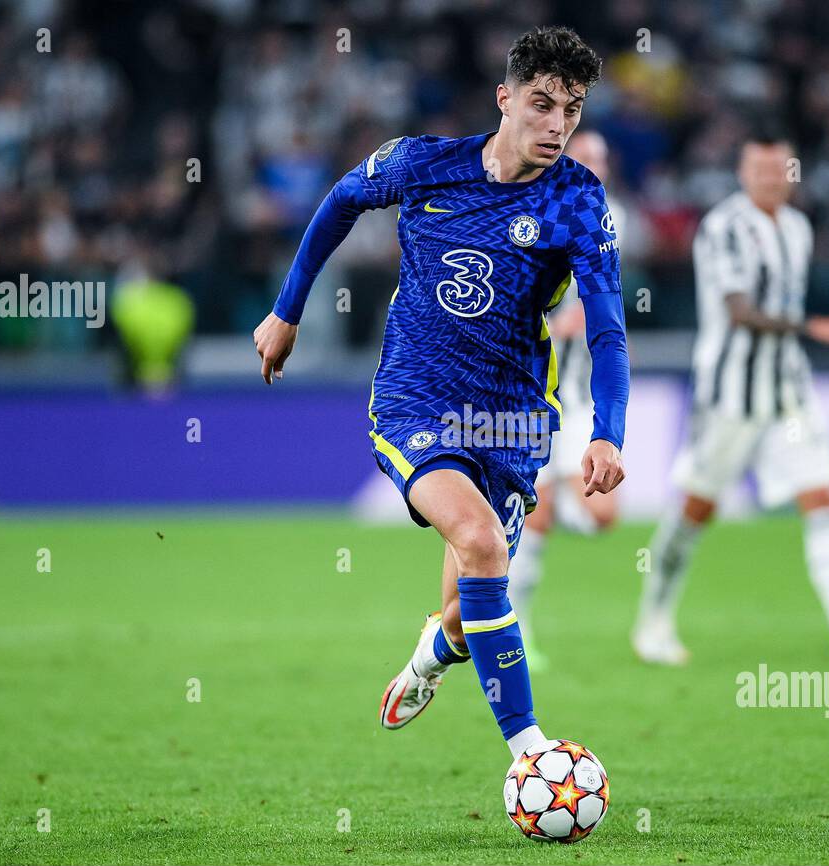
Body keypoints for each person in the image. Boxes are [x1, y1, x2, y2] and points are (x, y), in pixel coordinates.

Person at [253, 27, 629, 759]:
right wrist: (287, 309)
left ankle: (433, 652)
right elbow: (339, 201)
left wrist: (608, 430)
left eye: (573, 110)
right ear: (505, 98)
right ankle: (531, 753)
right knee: (484, 544)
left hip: (514, 423)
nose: (557, 126)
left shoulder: (579, 203)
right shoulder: (422, 164)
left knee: (464, 615)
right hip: (416, 402)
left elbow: (609, 332)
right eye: (542, 104)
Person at [631, 132, 829, 666]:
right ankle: (653, 621)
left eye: (780, 169)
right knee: (695, 509)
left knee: (824, 497)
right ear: (742, 171)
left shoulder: (799, 228)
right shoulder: (724, 227)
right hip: (729, 395)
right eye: (760, 169)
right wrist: (815, 327)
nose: (771, 179)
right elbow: (738, 310)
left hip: (788, 391)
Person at [506, 130, 623, 672]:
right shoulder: (529, 213)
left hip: (576, 401)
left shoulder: (605, 219)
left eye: (602, 159)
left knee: (603, 516)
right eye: (587, 158)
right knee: (537, 514)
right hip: (529, 395)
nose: (595, 167)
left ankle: (551, 510)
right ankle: (520, 630)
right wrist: (557, 323)